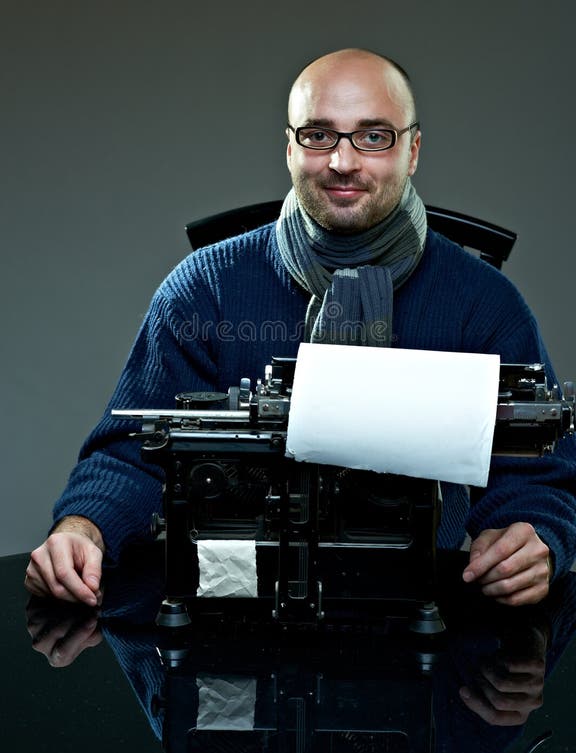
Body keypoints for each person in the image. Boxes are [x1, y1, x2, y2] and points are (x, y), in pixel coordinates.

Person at [25, 48, 576, 609]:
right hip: (236, 601)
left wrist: (536, 535)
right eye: (318, 135)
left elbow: (539, 474)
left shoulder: (483, 302)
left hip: (419, 605)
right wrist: (83, 528)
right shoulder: (205, 289)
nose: (343, 161)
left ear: (412, 151)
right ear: (289, 148)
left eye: (374, 136)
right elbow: (133, 452)